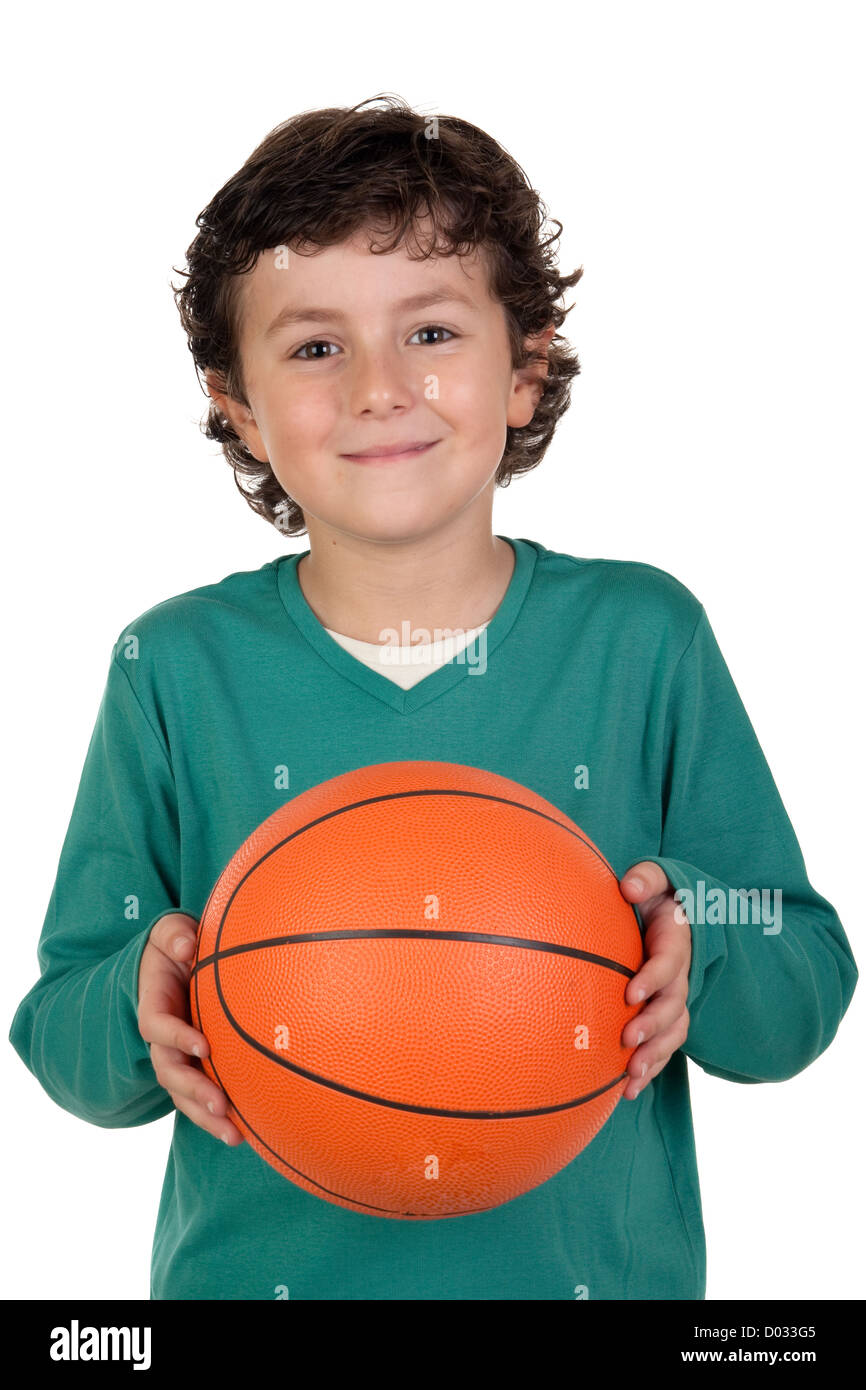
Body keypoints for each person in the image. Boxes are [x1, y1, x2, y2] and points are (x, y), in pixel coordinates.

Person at [8, 95, 858, 1301]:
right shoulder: (176, 666)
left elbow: (799, 980)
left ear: (524, 369)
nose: (379, 387)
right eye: (315, 347)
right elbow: (61, 1031)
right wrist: (134, 1002)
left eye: (430, 331)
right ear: (238, 404)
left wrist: (700, 942)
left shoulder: (641, 639)